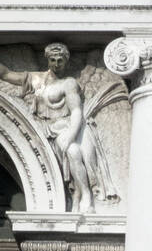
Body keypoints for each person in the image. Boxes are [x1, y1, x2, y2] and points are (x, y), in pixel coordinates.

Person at [0, 42, 118, 214]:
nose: (56, 64)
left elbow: (76, 111)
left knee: (74, 151)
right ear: (47, 60)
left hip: (66, 128)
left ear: (66, 62)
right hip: (45, 131)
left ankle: (86, 195)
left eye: (60, 61)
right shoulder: (35, 80)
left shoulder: (68, 83)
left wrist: (70, 136)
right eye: (53, 60)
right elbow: (6, 74)